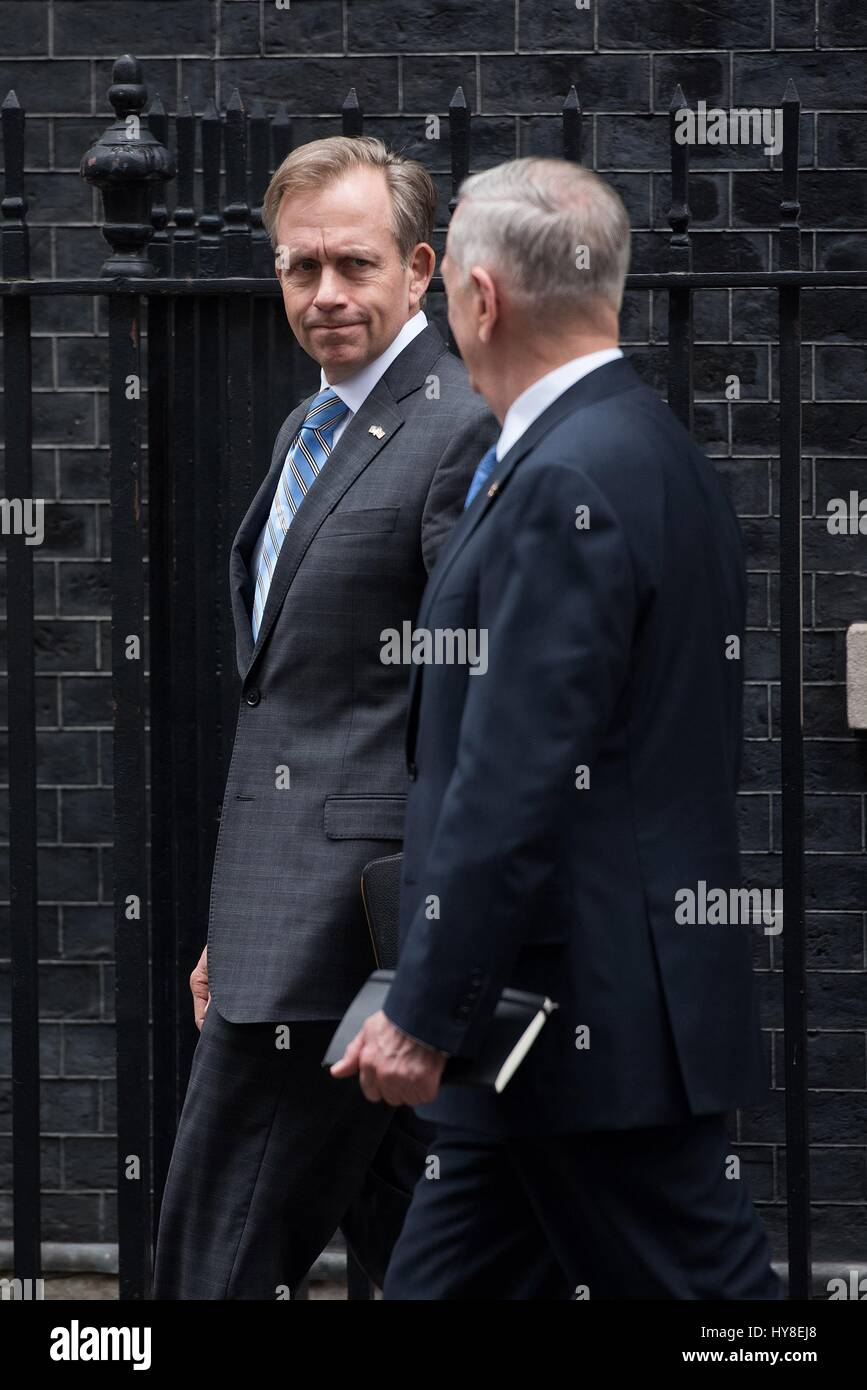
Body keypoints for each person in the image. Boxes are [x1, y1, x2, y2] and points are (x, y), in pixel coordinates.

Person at [333, 157, 783, 1301]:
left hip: (587, 1025)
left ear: (478, 298)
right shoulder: (660, 453)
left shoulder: (558, 478)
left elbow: (519, 770)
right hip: (557, 1030)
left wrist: (425, 1009)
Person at [153, 136, 497, 1299]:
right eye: (301, 269)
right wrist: (231, 924)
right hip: (287, 933)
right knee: (425, 1264)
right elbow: (297, 705)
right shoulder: (313, 431)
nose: (326, 295)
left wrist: (427, 950)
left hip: (343, 957)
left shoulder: (455, 428)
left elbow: (473, 697)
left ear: (421, 269)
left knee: (211, 1262)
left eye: (352, 265)